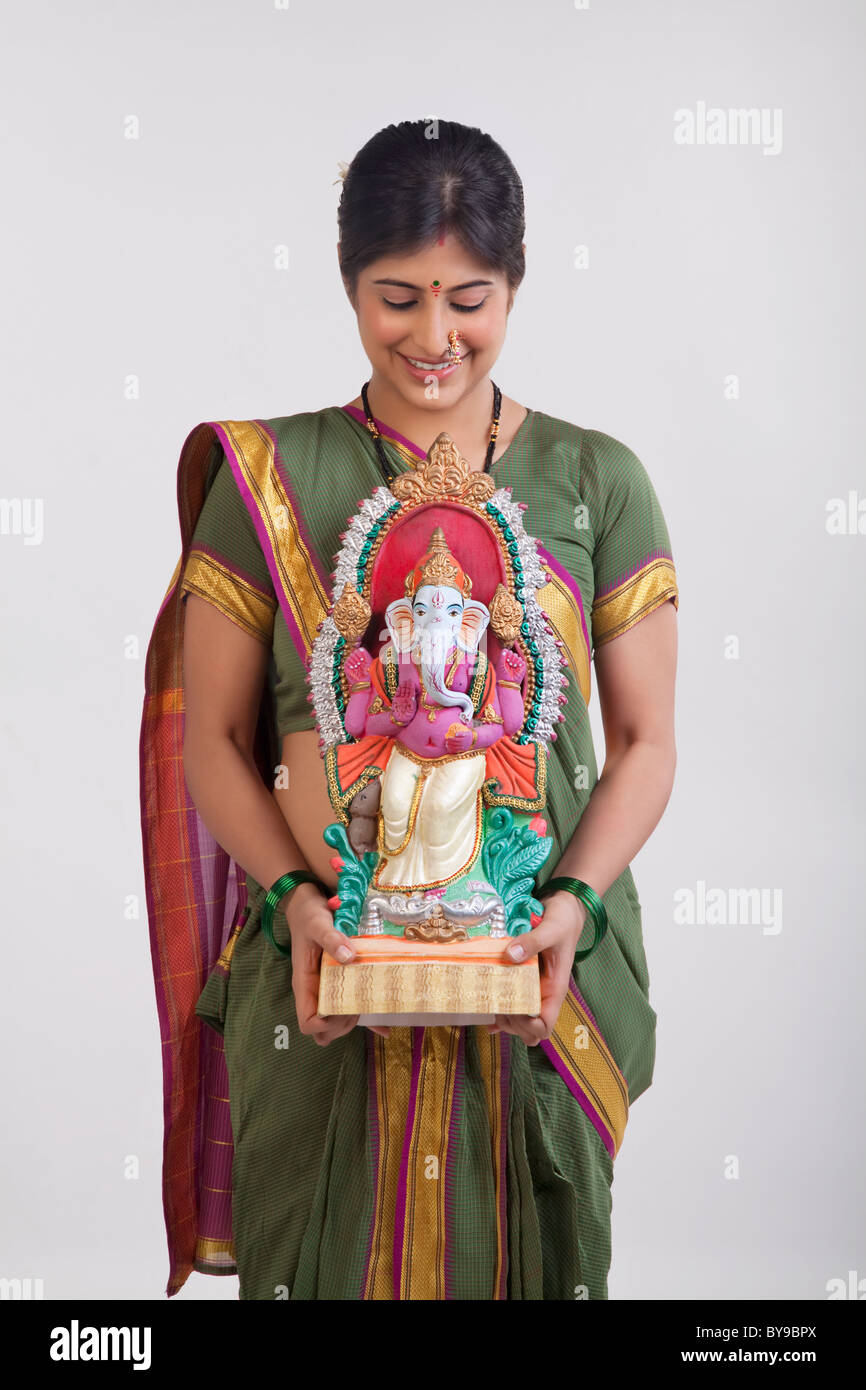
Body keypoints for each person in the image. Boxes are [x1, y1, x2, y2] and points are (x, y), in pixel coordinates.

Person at [139, 118, 679, 1301]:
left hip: (536, 955)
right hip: (320, 961)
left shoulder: (598, 481)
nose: (433, 338)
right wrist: (292, 902)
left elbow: (642, 742)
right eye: (396, 298)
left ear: (516, 283)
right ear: (347, 284)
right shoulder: (271, 477)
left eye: (468, 299)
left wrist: (572, 908)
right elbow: (219, 744)